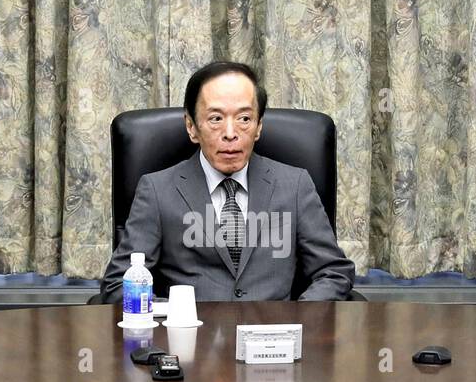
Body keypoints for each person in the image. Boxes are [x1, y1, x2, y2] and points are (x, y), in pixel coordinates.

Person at [101, 61, 355, 302]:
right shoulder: (157, 190)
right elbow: (118, 285)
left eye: (244, 118)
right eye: (216, 119)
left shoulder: (295, 185)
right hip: (191, 341)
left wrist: (298, 319)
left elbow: (333, 271)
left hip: (272, 339)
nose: (231, 134)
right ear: (191, 126)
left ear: (258, 127)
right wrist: (174, 316)